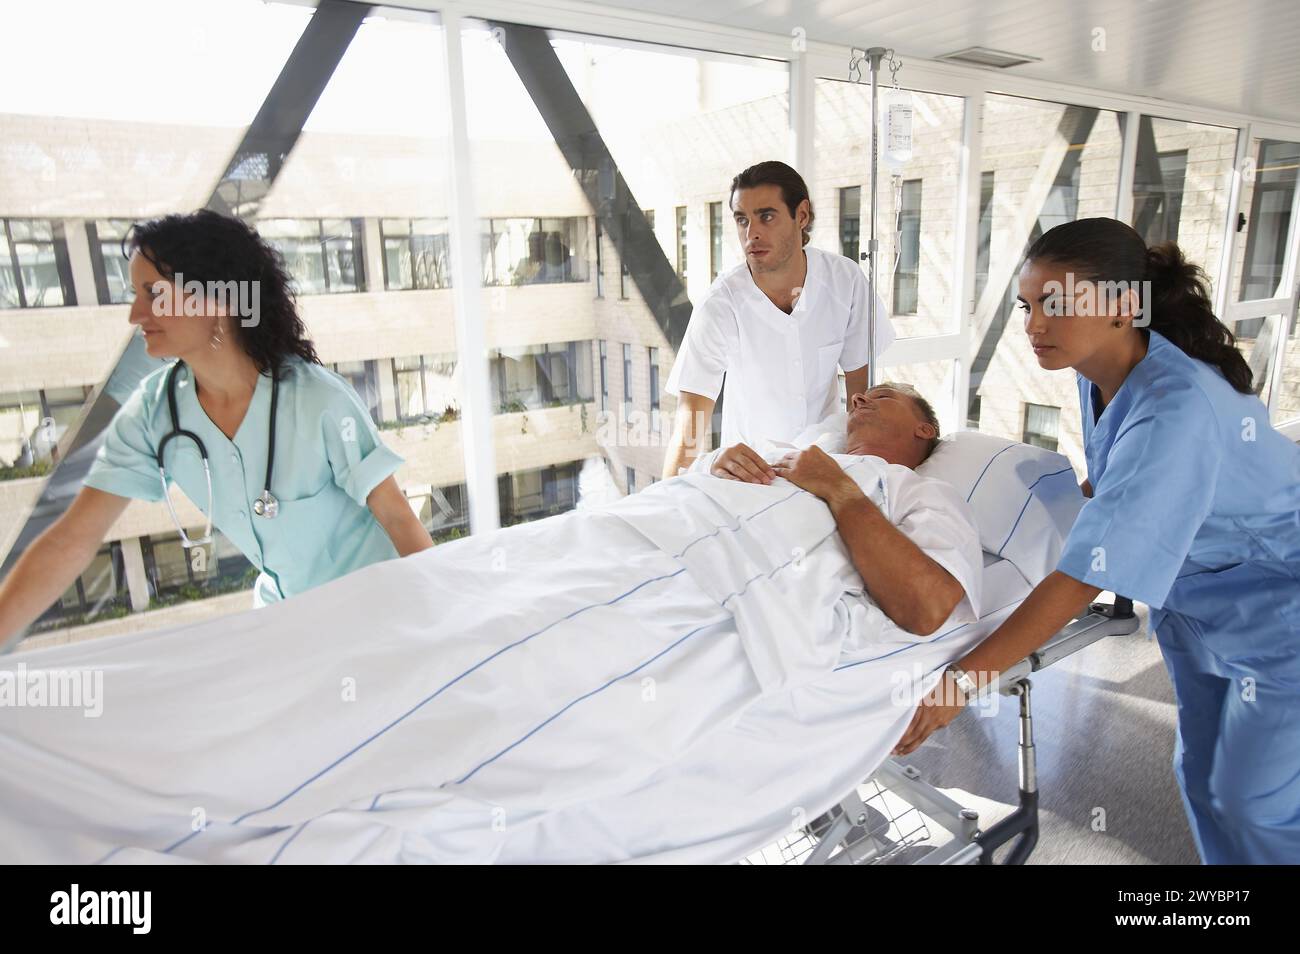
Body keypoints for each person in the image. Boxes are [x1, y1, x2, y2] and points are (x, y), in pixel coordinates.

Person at [893, 217, 1300, 865]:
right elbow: (1117, 476)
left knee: (1252, 800)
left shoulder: (1177, 406)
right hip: (1195, 603)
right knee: (1199, 774)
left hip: (1282, 607)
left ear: (1124, 307)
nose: (1034, 325)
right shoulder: (1096, 373)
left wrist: (956, 688)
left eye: (1056, 305)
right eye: (1028, 306)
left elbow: (1085, 575)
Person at [0, 210, 433, 644]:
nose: (136, 314)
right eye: (136, 294)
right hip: (288, 624)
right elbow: (73, 538)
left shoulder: (318, 400)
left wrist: (444, 618)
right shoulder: (156, 412)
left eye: (153, 293)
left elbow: (397, 517)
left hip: (381, 611)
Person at [661, 160, 895, 478]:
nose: (751, 233)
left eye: (766, 217)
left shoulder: (846, 281)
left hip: (826, 466)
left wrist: (863, 476)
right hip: (752, 479)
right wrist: (671, 500)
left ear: (802, 215)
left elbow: (862, 400)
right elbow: (689, 425)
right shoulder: (720, 304)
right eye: (742, 220)